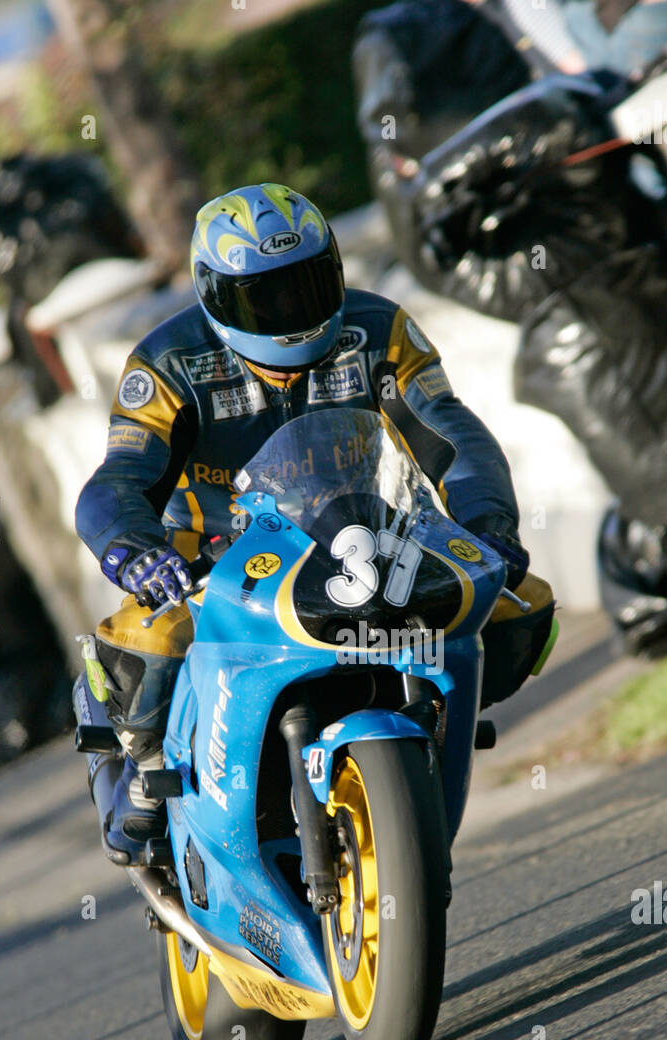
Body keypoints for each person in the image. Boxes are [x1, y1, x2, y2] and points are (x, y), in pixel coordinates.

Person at [75, 182, 553, 862]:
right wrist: (136, 553)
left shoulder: (380, 329)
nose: (287, 313)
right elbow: (116, 483)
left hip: (364, 546)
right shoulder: (168, 363)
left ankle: (427, 735)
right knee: (145, 642)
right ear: (214, 297)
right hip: (215, 569)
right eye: (260, 298)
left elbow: (452, 435)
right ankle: (143, 778)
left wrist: (489, 524)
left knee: (520, 605)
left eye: (303, 286)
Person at [353, 0, 667, 650]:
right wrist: (556, 120)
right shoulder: (416, 40)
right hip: (536, 238)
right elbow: (431, 154)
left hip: (557, 231)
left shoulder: (474, 54)